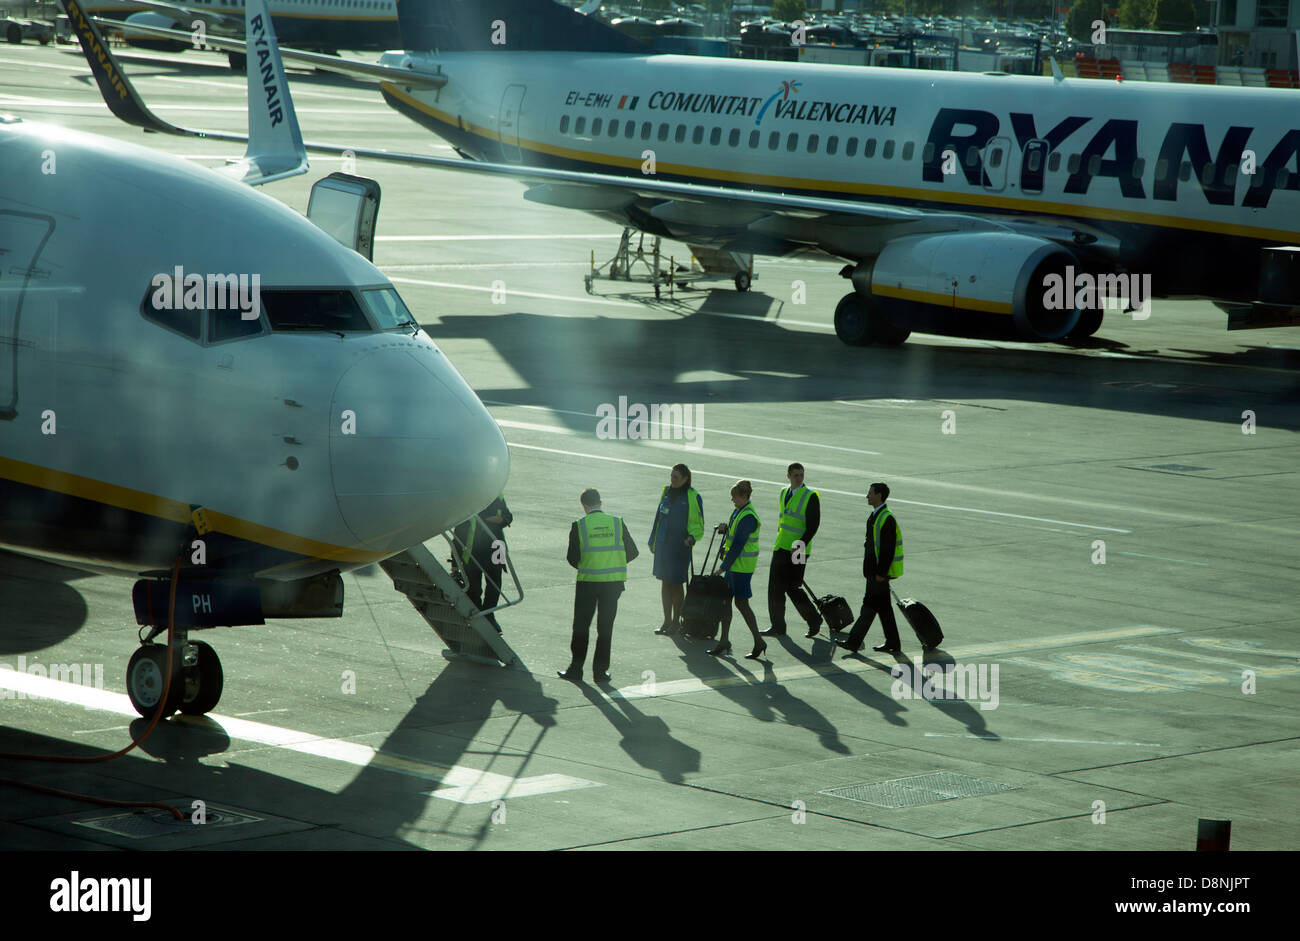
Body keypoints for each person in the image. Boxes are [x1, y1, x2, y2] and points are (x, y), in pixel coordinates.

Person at [559, 488, 639, 684]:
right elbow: (633, 551)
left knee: (581, 626)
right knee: (605, 628)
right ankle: (601, 672)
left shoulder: (579, 525)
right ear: (600, 503)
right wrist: (614, 563)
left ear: (584, 506)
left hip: (588, 582)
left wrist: (591, 564)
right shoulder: (617, 522)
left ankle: (576, 668)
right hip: (613, 584)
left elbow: (572, 558)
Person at [837, 482, 904, 654]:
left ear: (879, 495)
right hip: (873, 572)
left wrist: (881, 573)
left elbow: (888, 550)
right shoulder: (876, 515)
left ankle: (854, 642)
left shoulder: (885, 518)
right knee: (884, 609)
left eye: (870, 493)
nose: (867, 496)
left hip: (878, 574)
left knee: (868, 608)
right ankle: (893, 643)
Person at [762, 462, 823, 637]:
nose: (799, 478)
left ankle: (813, 620)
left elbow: (813, 525)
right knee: (774, 589)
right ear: (788, 476)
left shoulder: (810, 496)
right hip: (781, 546)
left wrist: (800, 545)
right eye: (796, 475)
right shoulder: (783, 492)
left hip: (799, 549)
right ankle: (778, 626)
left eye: (801, 475)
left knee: (793, 588)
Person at [708, 480, 766, 660]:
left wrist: (722, 567)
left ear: (744, 496)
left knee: (741, 604)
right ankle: (724, 640)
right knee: (726, 602)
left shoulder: (748, 516)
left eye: (734, 497)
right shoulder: (739, 511)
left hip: (741, 568)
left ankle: (758, 640)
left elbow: (739, 545)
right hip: (735, 567)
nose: (732, 500)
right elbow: (734, 535)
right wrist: (726, 528)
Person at [648, 463, 704, 636]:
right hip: (664, 544)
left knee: (676, 584)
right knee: (665, 582)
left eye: (676, 477)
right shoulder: (666, 492)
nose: (672, 480)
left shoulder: (693, 496)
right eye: (671, 476)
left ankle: (676, 621)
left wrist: (692, 537)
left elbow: (699, 524)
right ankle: (666, 621)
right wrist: (652, 539)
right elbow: (658, 517)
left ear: (685, 479)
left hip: (680, 546)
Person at [452, 492, 512, 633]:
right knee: (474, 588)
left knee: (494, 585)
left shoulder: (497, 496)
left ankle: (489, 615)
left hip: (496, 549)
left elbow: (508, 516)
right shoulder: (469, 499)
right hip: (474, 551)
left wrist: (502, 520)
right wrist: (455, 563)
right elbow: (458, 535)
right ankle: (478, 616)